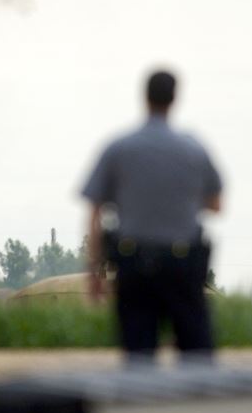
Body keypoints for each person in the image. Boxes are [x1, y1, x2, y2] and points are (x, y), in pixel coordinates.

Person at [80, 69, 223, 362]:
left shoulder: (118, 148)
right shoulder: (194, 149)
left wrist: (94, 271)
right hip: (183, 265)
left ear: (144, 97)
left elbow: (94, 211)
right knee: (198, 360)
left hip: (134, 266)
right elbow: (216, 205)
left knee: (138, 358)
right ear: (175, 99)